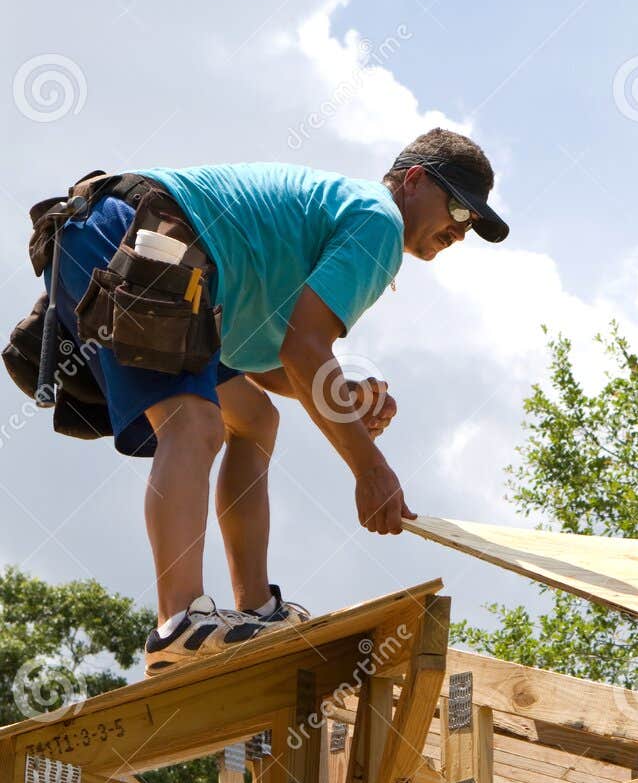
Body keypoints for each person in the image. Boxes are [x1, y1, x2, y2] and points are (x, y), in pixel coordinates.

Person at [39, 128, 509, 674]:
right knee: (194, 424)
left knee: (255, 419)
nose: (460, 228)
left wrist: (343, 398)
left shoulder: (335, 223)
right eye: (456, 206)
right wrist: (370, 468)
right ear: (414, 180)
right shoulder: (379, 221)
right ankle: (180, 623)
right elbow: (305, 348)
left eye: (471, 221)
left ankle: (256, 608)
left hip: (124, 239)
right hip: (144, 232)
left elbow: (275, 365)